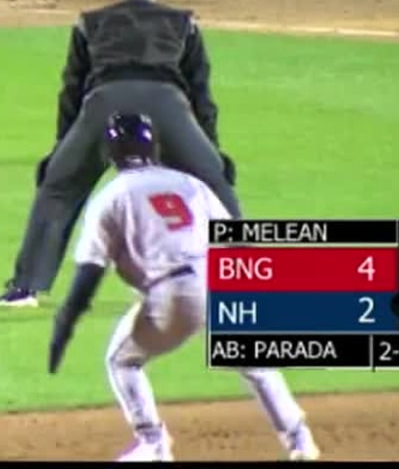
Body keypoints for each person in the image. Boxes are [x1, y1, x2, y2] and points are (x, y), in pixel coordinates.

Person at [46, 113, 322, 462]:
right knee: (255, 362)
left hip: (171, 295)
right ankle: (300, 440)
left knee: (122, 361)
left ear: (111, 153)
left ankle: (153, 443)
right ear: (153, 148)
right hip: (216, 281)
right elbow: (238, 242)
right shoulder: (188, 183)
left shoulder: (110, 197)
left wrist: (66, 323)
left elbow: (90, 271)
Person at [0, 0, 242, 307]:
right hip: (167, 105)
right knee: (214, 185)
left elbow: (72, 91)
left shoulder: (89, 22)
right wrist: (212, 152)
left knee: (59, 189)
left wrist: (61, 150)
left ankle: (25, 288)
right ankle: (243, 276)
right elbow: (201, 94)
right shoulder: (184, 23)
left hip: (103, 103)